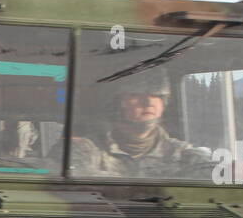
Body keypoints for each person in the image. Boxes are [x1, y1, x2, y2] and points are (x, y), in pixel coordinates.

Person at [68, 74, 214, 179]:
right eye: (135, 95)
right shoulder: (84, 149)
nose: (149, 102)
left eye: (157, 96)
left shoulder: (184, 155)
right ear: (117, 103)